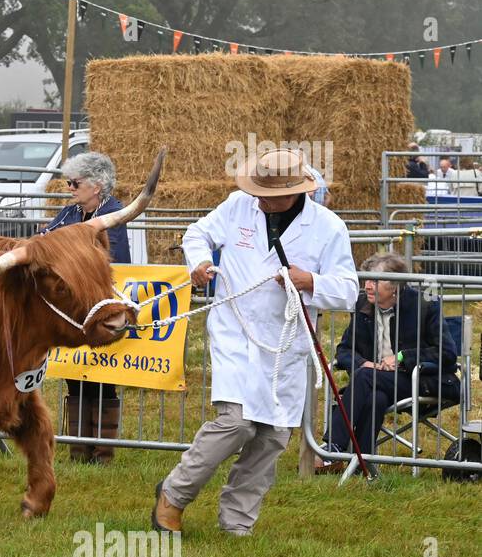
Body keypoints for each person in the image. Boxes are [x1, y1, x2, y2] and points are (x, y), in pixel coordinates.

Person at [152, 148, 358, 536]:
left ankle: (237, 522)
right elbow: (197, 233)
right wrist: (197, 262)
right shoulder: (237, 206)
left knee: (272, 436)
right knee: (236, 424)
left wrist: (309, 281)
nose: (260, 198)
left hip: (285, 344)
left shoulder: (329, 228)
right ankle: (173, 495)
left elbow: (348, 291)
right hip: (235, 333)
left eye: (269, 193)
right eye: (257, 190)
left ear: (297, 191)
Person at [316, 253, 460, 468]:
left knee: (366, 379)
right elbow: (344, 350)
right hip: (376, 379)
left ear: (395, 285)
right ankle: (365, 464)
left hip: (423, 379)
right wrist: (362, 363)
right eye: (366, 281)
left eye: (376, 281)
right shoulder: (363, 306)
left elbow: (447, 354)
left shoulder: (424, 305)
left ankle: (333, 446)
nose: (369, 287)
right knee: (375, 396)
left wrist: (403, 357)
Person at [41, 152, 132, 463]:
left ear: (96, 185)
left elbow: (113, 257)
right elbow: (45, 240)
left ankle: (102, 452)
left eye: (75, 182)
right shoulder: (69, 213)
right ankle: (78, 449)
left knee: (104, 375)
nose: (69, 188)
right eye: (68, 182)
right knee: (75, 371)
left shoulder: (115, 214)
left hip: (102, 305)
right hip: (73, 307)